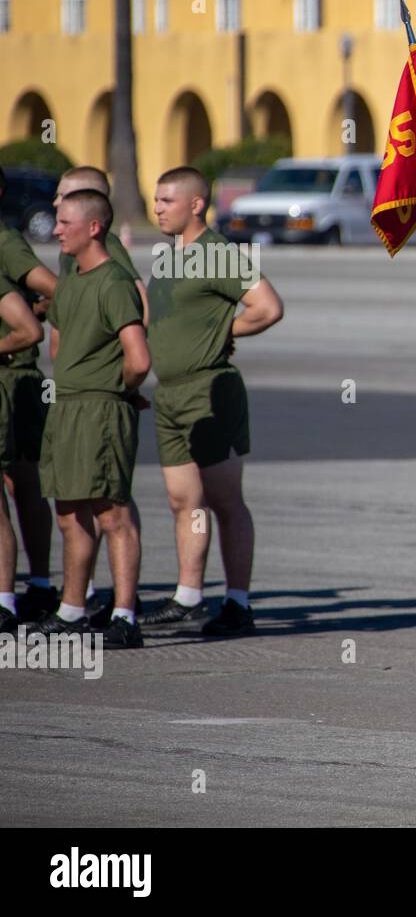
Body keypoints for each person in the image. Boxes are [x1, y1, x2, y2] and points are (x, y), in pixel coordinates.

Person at [140, 166, 283, 638]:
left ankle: (238, 604)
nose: (157, 208)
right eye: (156, 200)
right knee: (183, 501)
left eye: (166, 200)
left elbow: (267, 307)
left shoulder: (218, 253)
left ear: (196, 204)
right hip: (171, 394)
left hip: (209, 389)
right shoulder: (167, 256)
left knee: (224, 500)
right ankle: (188, 597)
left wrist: (221, 331)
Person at [31, 190, 150, 649]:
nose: (57, 229)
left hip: (100, 407)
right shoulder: (72, 280)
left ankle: (124, 616)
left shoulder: (113, 281)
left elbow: (138, 359)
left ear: (93, 227)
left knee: (111, 512)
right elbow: (60, 346)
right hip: (67, 406)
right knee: (68, 510)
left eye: (65, 222)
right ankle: (72, 609)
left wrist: (117, 390)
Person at [0, 167, 59, 624]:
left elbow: (56, 289)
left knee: (24, 486)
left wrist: (36, 313)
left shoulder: (5, 240)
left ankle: (36, 585)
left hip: (14, 375)